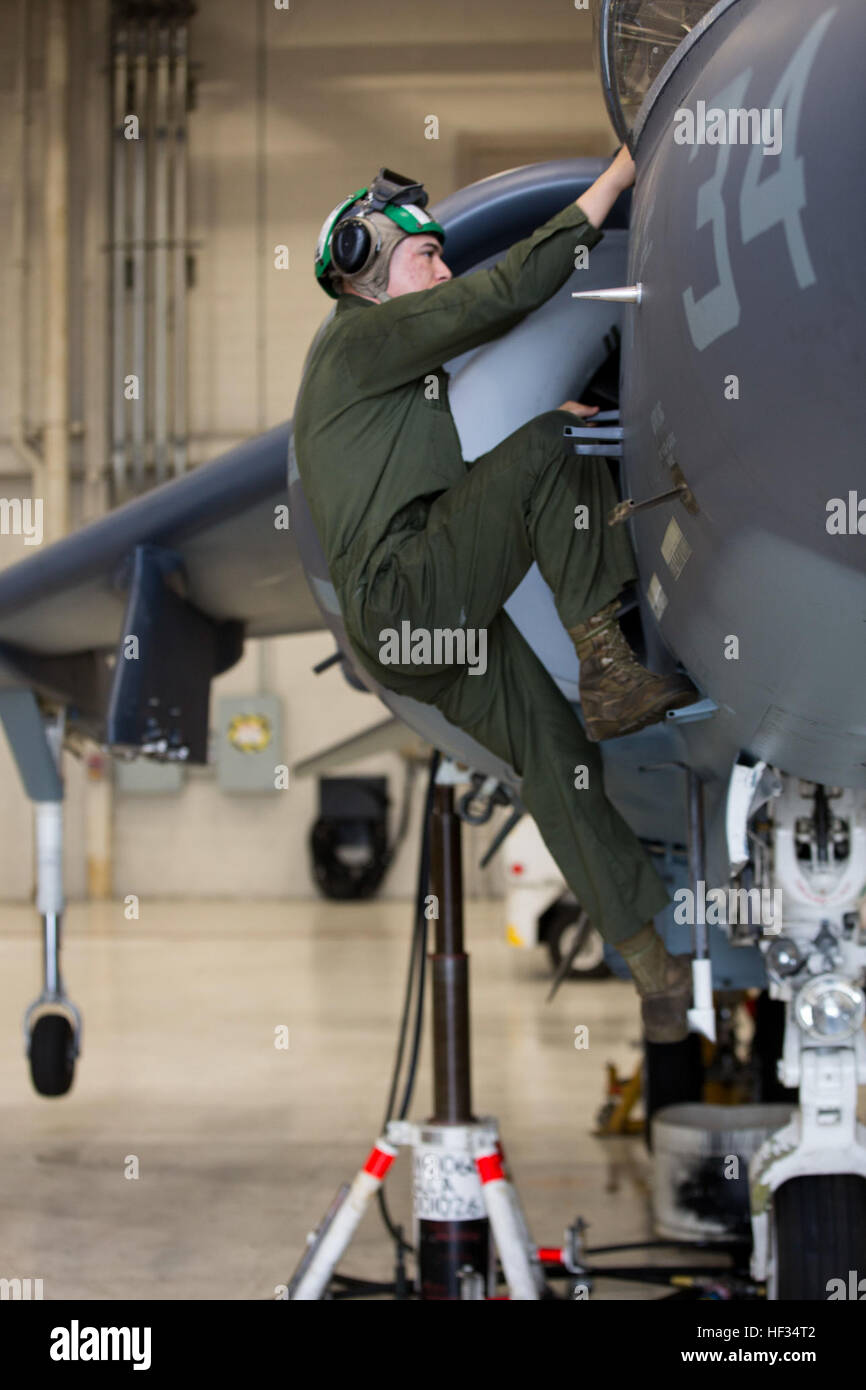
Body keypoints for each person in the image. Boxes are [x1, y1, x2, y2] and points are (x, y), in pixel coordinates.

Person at [294, 157, 700, 1042]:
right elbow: (500, 298)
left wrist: (545, 443)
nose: (442, 271)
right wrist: (619, 176)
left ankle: (650, 966)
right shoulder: (361, 337)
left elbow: (451, 497)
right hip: (410, 597)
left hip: (413, 631)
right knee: (552, 443)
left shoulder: (378, 378)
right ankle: (609, 663)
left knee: (556, 759)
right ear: (367, 273)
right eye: (425, 259)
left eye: (442, 258)